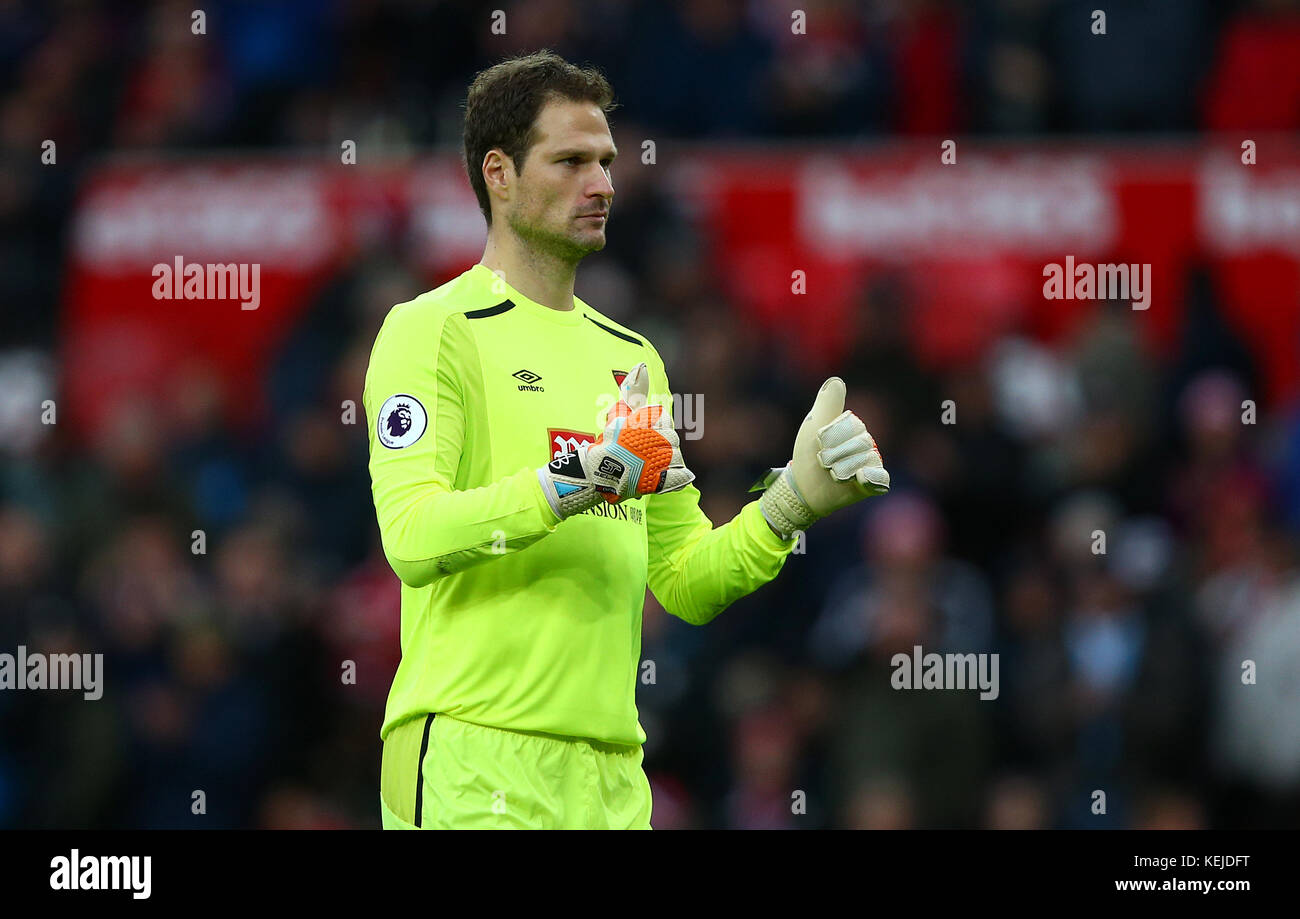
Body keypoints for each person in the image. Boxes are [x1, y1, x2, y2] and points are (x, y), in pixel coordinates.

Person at [366, 49, 890, 829]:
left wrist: (789, 503)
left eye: (606, 162)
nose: (603, 183)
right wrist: (573, 480)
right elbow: (410, 536)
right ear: (499, 173)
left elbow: (681, 577)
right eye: (572, 160)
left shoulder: (630, 357)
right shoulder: (431, 330)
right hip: (473, 759)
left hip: (611, 776)